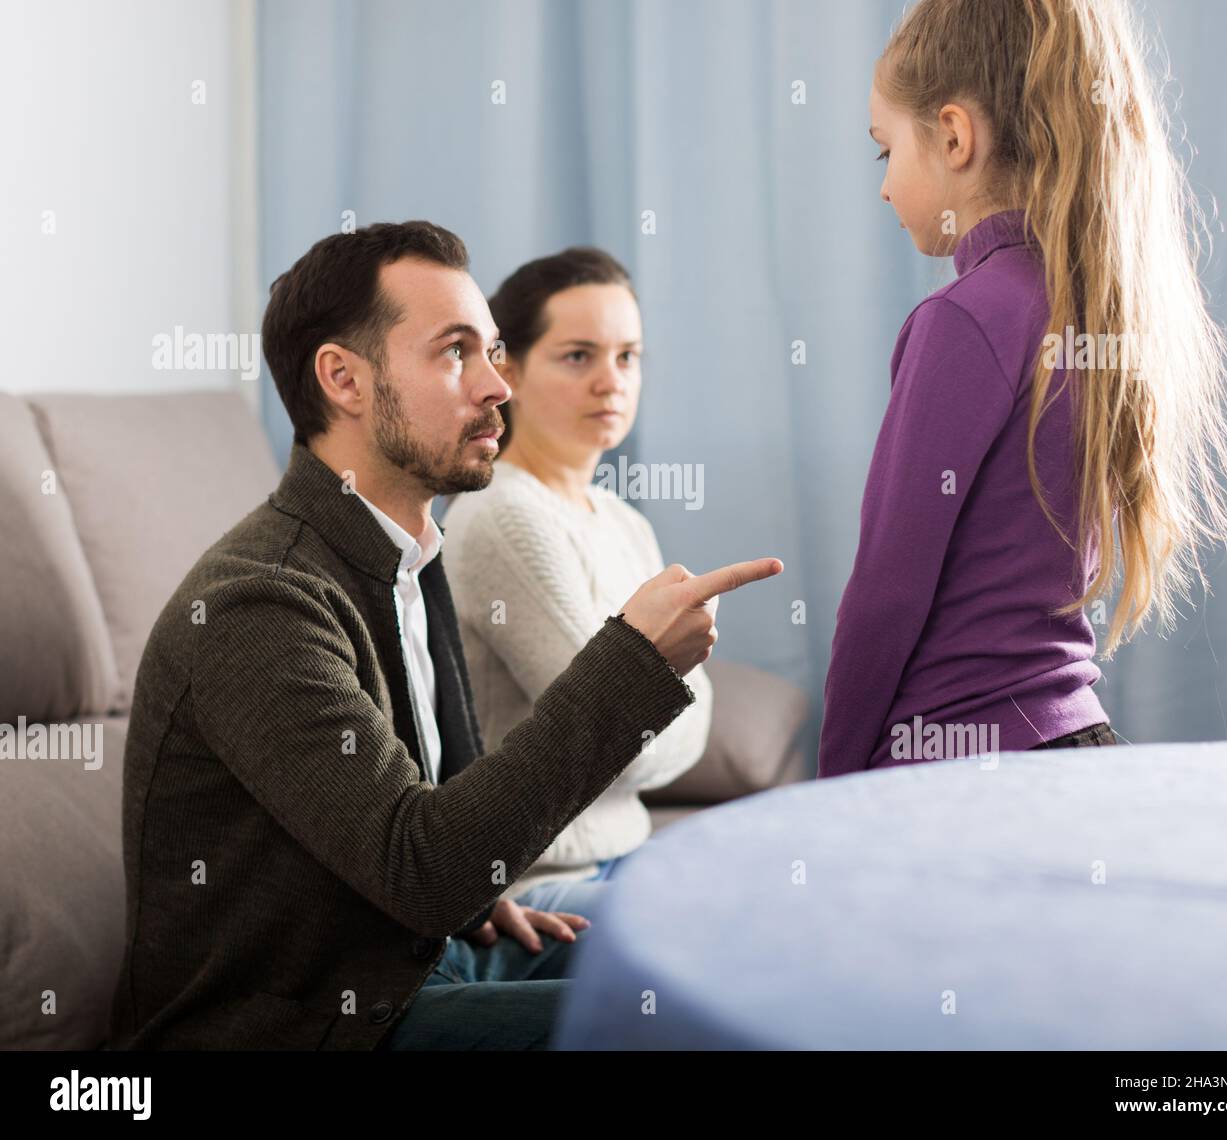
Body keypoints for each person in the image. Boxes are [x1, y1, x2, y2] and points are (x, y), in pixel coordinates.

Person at [107, 220, 781, 1050]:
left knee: (735, 966)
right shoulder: (260, 604)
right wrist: (633, 663)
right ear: (344, 379)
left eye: (493, 351)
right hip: (303, 1023)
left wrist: (477, 903)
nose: (498, 385)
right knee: (689, 1025)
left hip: (419, 960)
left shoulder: (409, 557)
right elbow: (419, 868)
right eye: (457, 352)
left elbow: (426, 841)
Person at [819, 0, 1227, 776]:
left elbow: (885, 594)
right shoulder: (1090, 308)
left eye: (886, 149)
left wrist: (828, 792)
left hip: (964, 766)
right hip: (1071, 742)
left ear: (954, 136)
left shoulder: (962, 319)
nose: (881, 185)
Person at [441, 247, 713, 898]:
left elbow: (672, 731)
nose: (610, 381)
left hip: (624, 856)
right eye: (578, 356)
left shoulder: (623, 521)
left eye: (627, 356)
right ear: (507, 369)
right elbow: (622, 741)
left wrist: (662, 704)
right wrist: (673, 695)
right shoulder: (504, 516)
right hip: (538, 885)